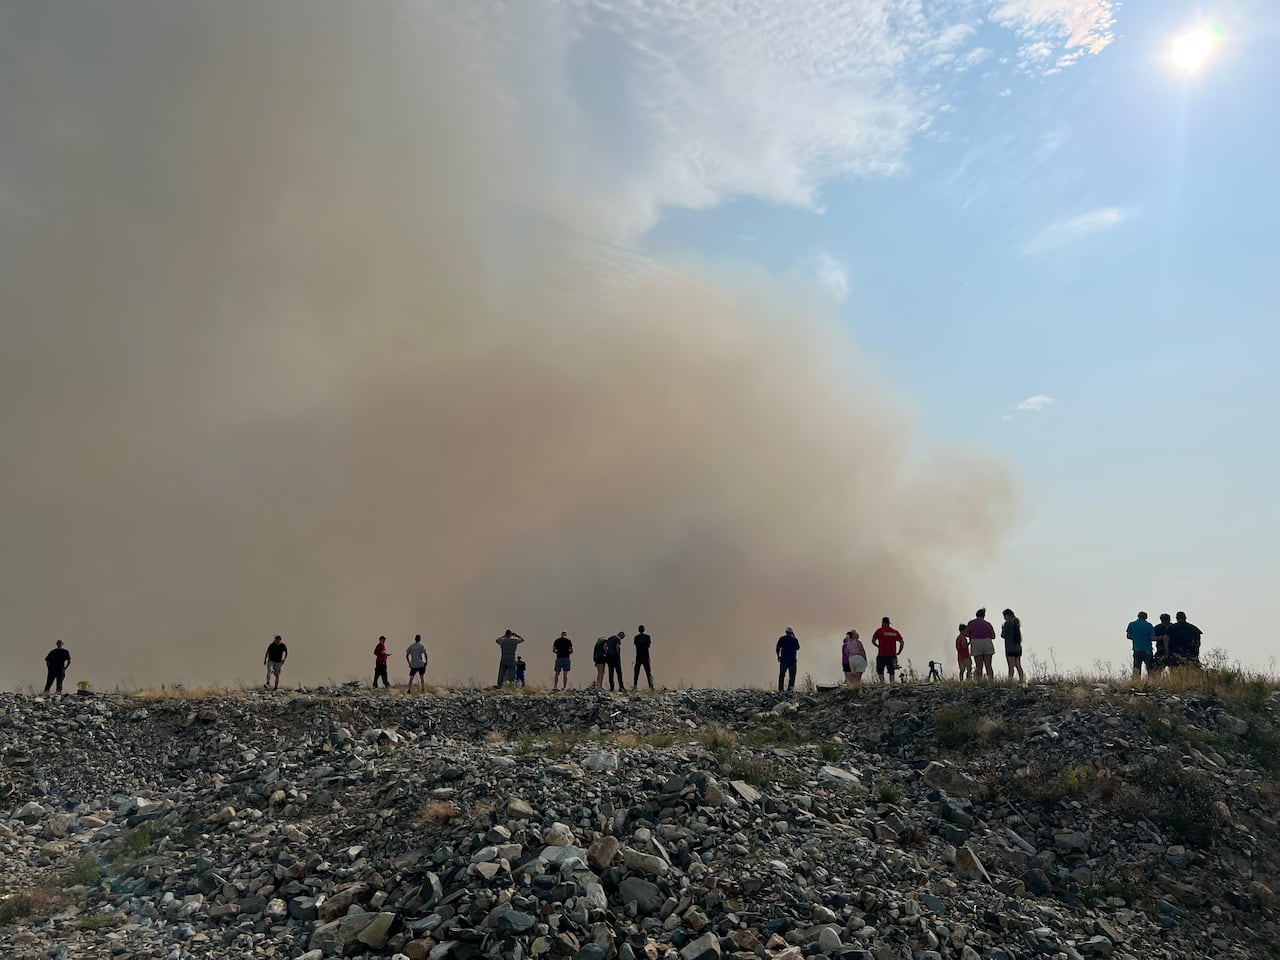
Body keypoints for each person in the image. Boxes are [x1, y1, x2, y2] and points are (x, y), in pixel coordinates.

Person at [871, 617, 904, 683]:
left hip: (882, 654)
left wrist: (878, 646)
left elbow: (873, 640)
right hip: (892, 654)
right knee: (892, 670)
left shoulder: (879, 631)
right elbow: (902, 642)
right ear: (889, 623)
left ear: (883, 623)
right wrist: (899, 651)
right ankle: (892, 683)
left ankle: (882, 683)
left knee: (880, 670)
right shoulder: (895, 631)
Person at [966, 609, 996, 679]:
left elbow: (966, 633)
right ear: (984, 616)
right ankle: (991, 681)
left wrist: (972, 635)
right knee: (988, 665)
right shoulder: (988, 624)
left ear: (976, 615)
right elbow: (993, 636)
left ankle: (980, 682)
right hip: (987, 642)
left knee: (979, 666)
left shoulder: (971, 623)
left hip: (976, 643)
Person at [1126, 612, 1156, 679]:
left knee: (1136, 668)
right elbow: (1152, 638)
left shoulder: (1131, 624)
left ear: (1138, 616)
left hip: (1136, 649)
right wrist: (1160, 638)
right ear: (1146, 617)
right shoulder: (1148, 625)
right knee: (1150, 669)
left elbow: (1128, 636)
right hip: (1147, 649)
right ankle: (1151, 683)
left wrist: (1136, 638)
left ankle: (1136, 683)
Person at [1001, 609, 1025, 683]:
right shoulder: (1016, 623)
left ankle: (1010, 681)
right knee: (1018, 665)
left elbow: (1003, 635)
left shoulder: (1007, 624)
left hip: (1010, 648)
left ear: (1007, 616)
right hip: (1018, 648)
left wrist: (1002, 628)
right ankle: (1022, 679)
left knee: (1011, 667)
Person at [776, 626, 800, 692]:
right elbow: (798, 647)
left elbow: (777, 648)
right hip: (792, 661)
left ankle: (781, 689)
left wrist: (778, 656)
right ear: (791, 632)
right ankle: (790, 689)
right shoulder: (794, 640)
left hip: (784, 660)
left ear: (786, 632)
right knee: (792, 676)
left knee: (782, 675)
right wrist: (794, 636)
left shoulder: (781, 639)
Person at [633, 626, 654, 690]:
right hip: (645, 656)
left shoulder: (636, 637)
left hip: (638, 656)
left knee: (636, 672)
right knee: (648, 672)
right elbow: (648, 646)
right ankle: (651, 686)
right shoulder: (647, 637)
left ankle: (635, 686)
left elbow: (635, 645)